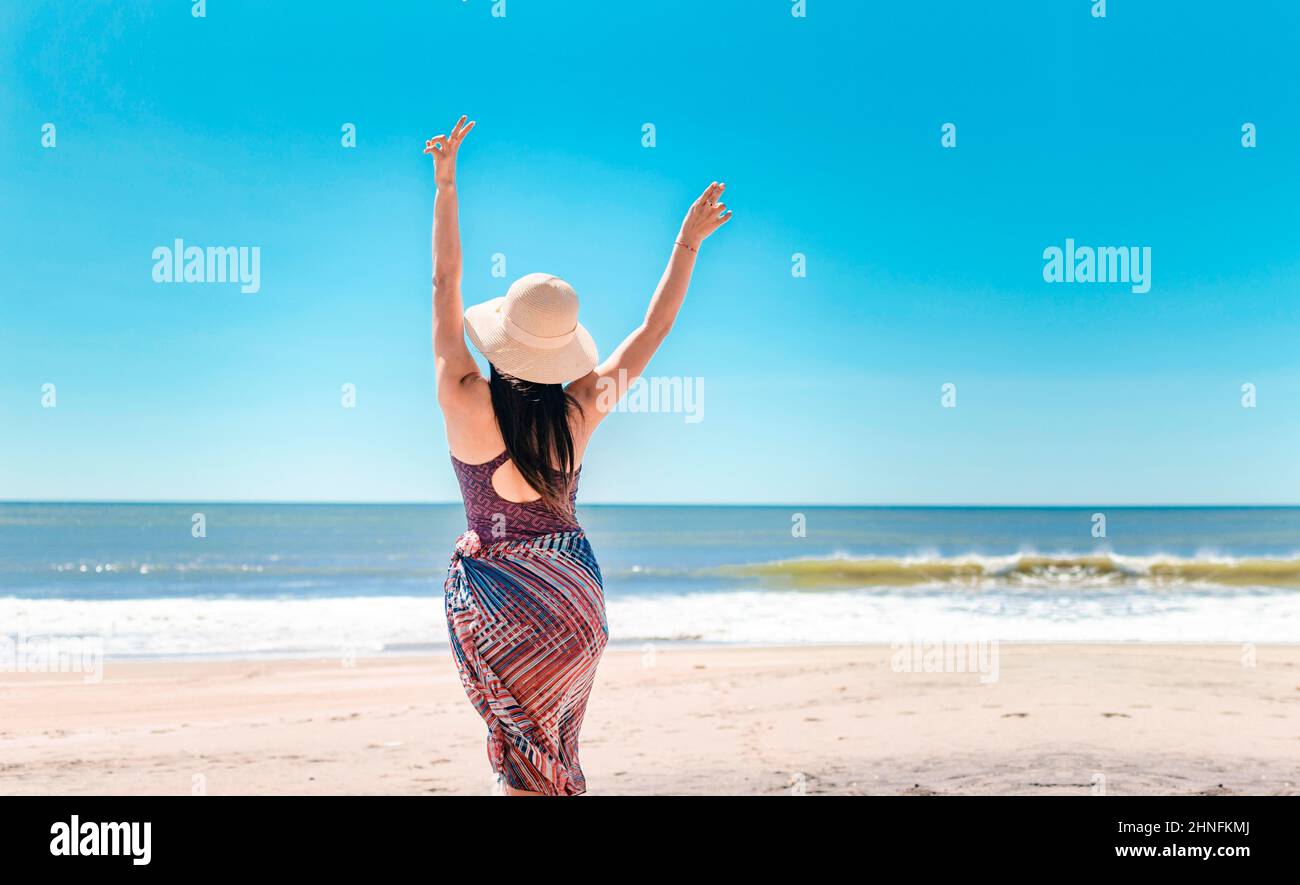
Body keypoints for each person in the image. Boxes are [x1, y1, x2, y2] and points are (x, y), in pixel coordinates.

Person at [427, 115, 731, 795]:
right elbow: (653, 330)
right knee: (555, 758)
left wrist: (446, 183)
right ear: (561, 350)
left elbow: (445, 283)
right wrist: (687, 242)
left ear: (501, 338)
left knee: (521, 758)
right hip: (572, 605)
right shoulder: (579, 409)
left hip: (499, 599)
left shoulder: (460, 392)